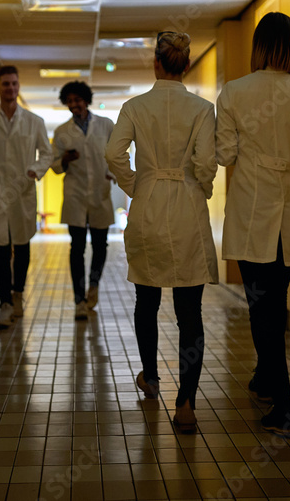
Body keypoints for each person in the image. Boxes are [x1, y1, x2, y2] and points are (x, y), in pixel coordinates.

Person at [105, 32, 218, 433]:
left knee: (146, 299)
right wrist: (199, 186)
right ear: (186, 66)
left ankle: (150, 378)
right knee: (190, 313)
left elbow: (113, 153)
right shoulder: (203, 109)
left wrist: (137, 184)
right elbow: (207, 161)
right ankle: (186, 403)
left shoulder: (135, 106)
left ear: (156, 64)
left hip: (149, 204)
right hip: (187, 206)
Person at [215, 12, 290, 436]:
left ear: (258, 46)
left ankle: (285, 405)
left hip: (253, 209)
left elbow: (224, 154)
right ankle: (264, 378)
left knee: (264, 309)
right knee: (274, 301)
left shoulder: (234, 91)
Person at [0, 65, 52, 329]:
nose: (11, 89)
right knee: (1, 249)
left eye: (14, 84)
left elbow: (47, 155)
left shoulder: (34, 121)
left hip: (23, 192)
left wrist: (34, 171)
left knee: (22, 245)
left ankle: (18, 294)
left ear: (19, 86)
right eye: (6, 84)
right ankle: (4, 304)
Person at [50, 81, 115, 321]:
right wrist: (65, 159)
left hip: (100, 193)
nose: (74, 105)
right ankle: (79, 299)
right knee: (76, 248)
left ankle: (93, 285)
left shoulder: (106, 125)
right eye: (69, 101)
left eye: (77, 100)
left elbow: (118, 154)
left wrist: (115, 172)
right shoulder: (61, 132)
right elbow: (55, 166)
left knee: (101, 246)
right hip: (76, 195)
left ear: (86, 100)